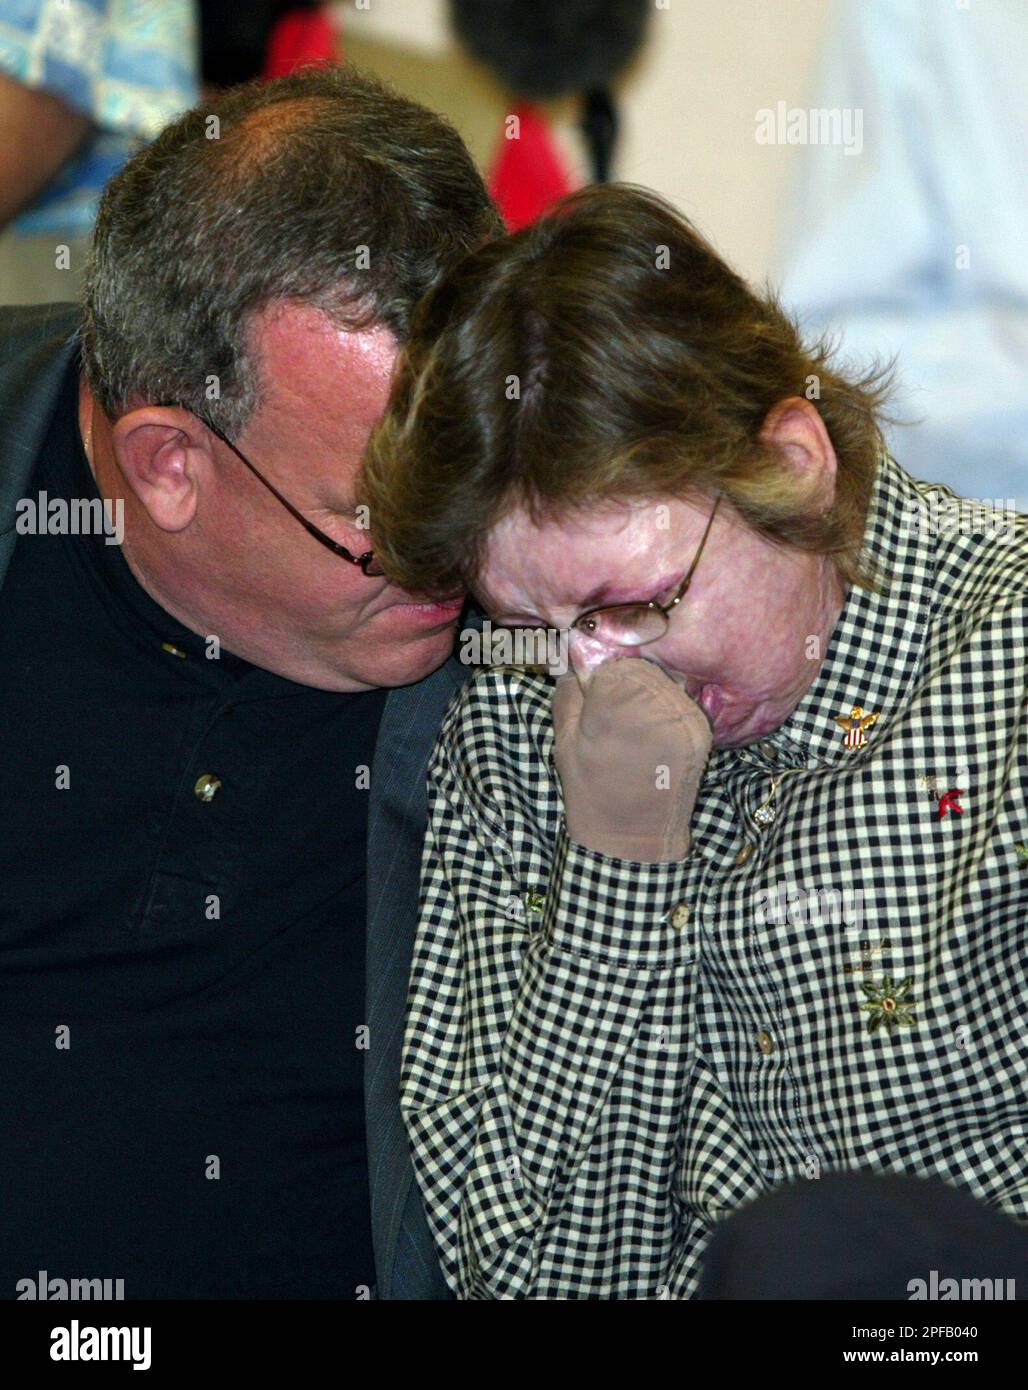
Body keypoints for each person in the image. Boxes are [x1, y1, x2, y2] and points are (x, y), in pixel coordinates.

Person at [360, 183, 1028, 1298]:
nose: (599, 677)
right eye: (531, 625)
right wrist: (616, 867)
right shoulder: (517, 730)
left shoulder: (1000, 661)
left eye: (634, 601)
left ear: (795, 464)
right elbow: (527, 1283)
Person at [0, 64, 503, 1300]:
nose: (462, 550)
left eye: (481, 469)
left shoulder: (551, 598)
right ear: (169, 464)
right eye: (387, 513)